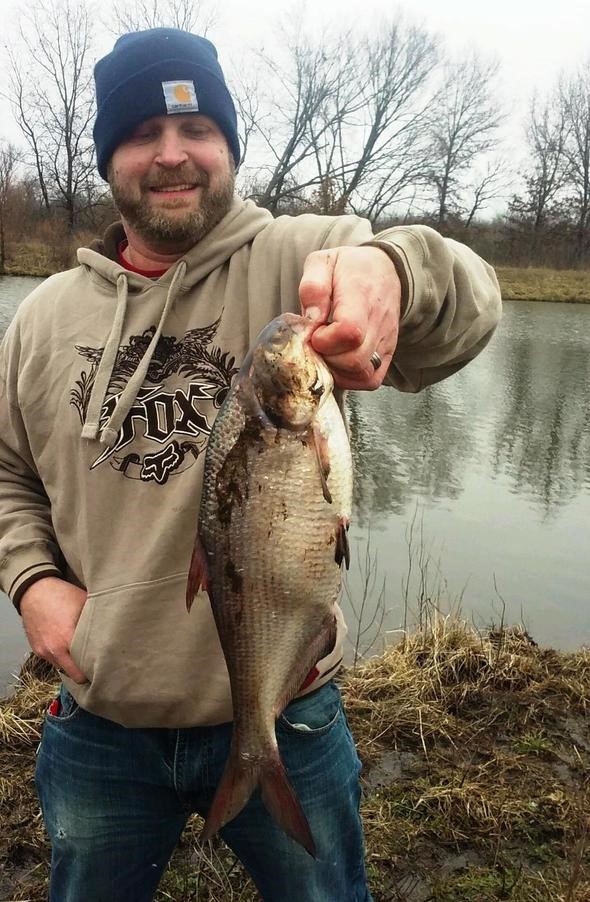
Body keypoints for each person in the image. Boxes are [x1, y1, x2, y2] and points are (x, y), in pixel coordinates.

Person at [0, 27, 501, 902]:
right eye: (142, 133)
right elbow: (7, 475)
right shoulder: (41, 320)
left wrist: (392, 270)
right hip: (102, 722)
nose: (172, 154)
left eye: (196, 129)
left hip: (291, 712)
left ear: (229, 144)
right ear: (107, 158)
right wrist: (31, 580)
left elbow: (472, 305)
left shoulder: (302, 260)